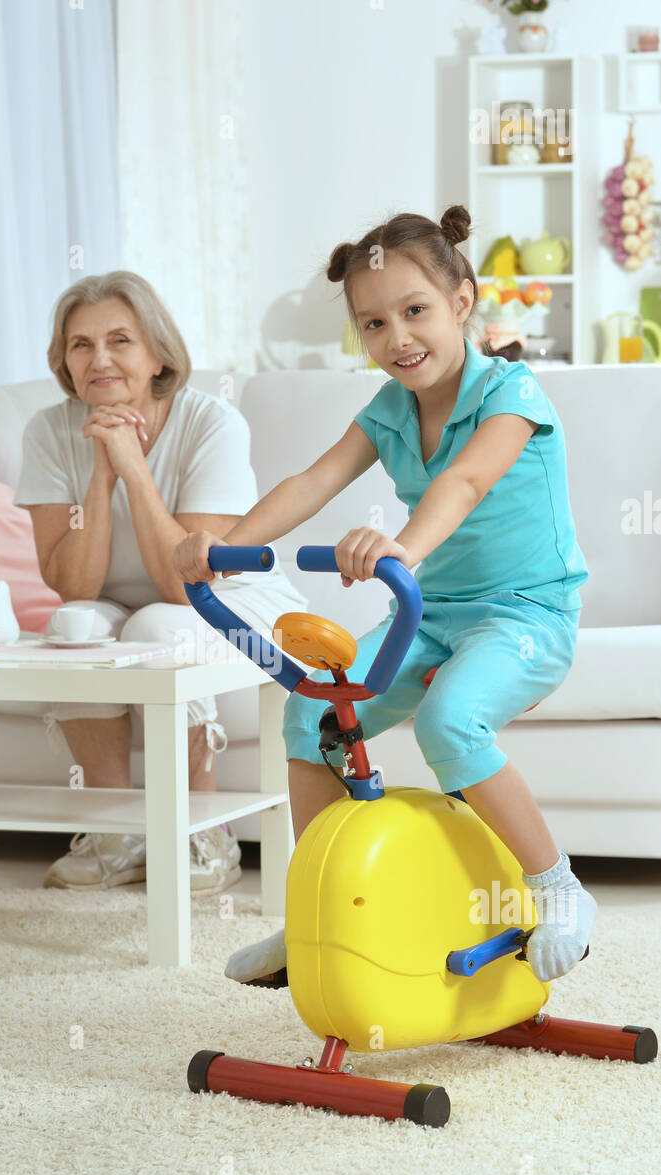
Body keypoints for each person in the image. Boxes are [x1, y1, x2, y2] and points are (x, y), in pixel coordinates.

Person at [174, 204, 595, 984]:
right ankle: (318, 918)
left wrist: (399, 548)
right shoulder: (389, 410)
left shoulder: (512, 395)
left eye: (414, 312)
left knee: (449, 721)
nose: (396, 338)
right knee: (310, 712)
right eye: (372, 325)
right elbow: (313, 479)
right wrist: (223, 547)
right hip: (431, 615)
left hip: (526, 616)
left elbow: (465, 482)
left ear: (460, 303)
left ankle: (555, 884)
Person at [14, 270, 308, 893]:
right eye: (81, 345)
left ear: (157, 354)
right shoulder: (49, 430)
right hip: (127, 602)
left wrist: (133, 467)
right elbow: (72, 584)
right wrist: (100, 474)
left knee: (158, 624)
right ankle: (115, 832)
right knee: (73, 625)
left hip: (230, 602)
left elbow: (188, 585)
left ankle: (205, 832)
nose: (100, 359)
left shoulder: (213, 423)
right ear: (64, 360)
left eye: (120, 340)